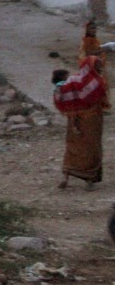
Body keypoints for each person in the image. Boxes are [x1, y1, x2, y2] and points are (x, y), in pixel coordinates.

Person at [55, 54, 108, 190]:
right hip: (92, 120)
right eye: (97, 65)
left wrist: (72, 109)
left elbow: (59, 94)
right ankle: (89, 179)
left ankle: (66, 176)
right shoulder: (97, 81)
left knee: (73, 146)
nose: (99, 67)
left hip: (74, 121)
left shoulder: (73, 79)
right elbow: (102, 99)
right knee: (92, 147)